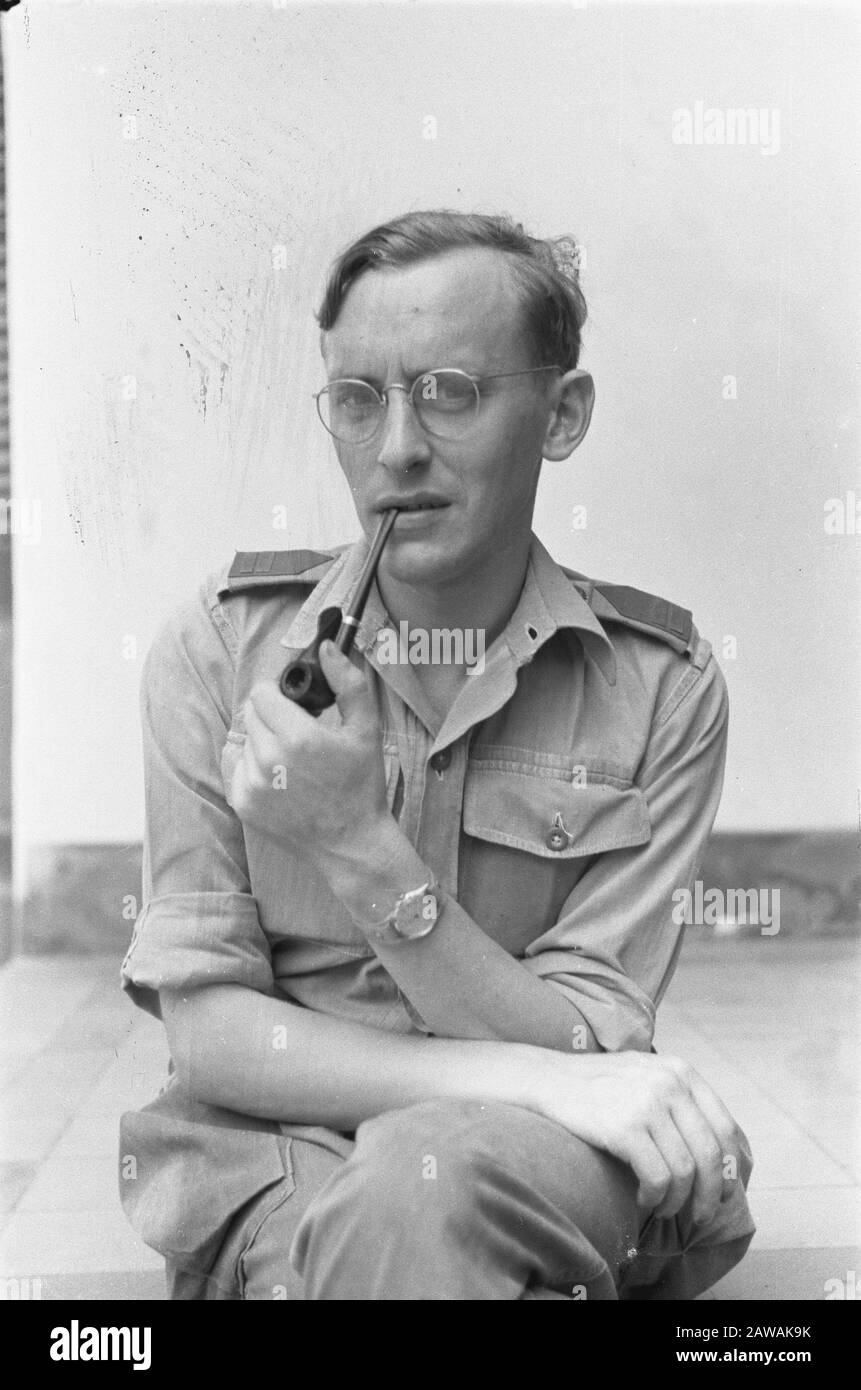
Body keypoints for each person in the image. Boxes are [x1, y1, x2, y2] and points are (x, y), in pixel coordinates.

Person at [119, 210, 755, 1300]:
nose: (396, 449)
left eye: (451, 391)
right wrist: (529, 1074)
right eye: (358, 401)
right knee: (377, 1221)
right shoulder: (218, 650)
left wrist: (357, 839)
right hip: (280, 1148)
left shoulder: (662, 686)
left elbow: (590, 1039)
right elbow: (213, 1037)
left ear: (563, 416)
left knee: (422, 1190)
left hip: (516, 1151)